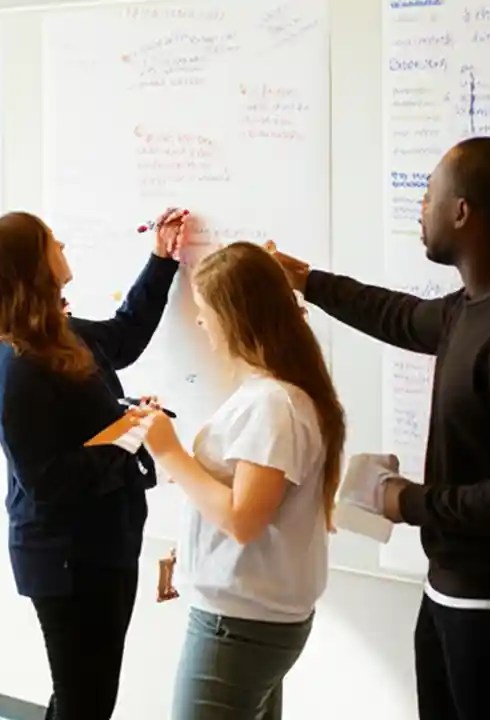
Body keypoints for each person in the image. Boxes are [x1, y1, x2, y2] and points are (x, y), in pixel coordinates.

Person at [271, 136, 490, 719]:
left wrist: (408, 502)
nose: (419, 209)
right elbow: (402, 317)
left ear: (462, 211)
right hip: (463, 585)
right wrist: (307, 280)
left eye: (427, 195)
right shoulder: (482, 300)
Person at [0, 208, 186, 719]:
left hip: (102, 545)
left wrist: (161, 260)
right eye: (50, 240)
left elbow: (125, 337)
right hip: (68, 559)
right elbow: (47, 479)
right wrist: (132, 433)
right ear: (31, 263)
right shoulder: (15, 362)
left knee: (82, 698)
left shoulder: (56, 333)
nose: (61, 243)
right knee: (86, 701)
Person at [135, 242, 345, 719]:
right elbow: (245, 504)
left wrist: (169, 451)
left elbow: (243, 520)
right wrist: (189, 551)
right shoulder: (280, 396)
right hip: (254, 620)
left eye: (205, 313)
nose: (202, 324)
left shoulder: (272, 404)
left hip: (240, 625)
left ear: (235, 317)